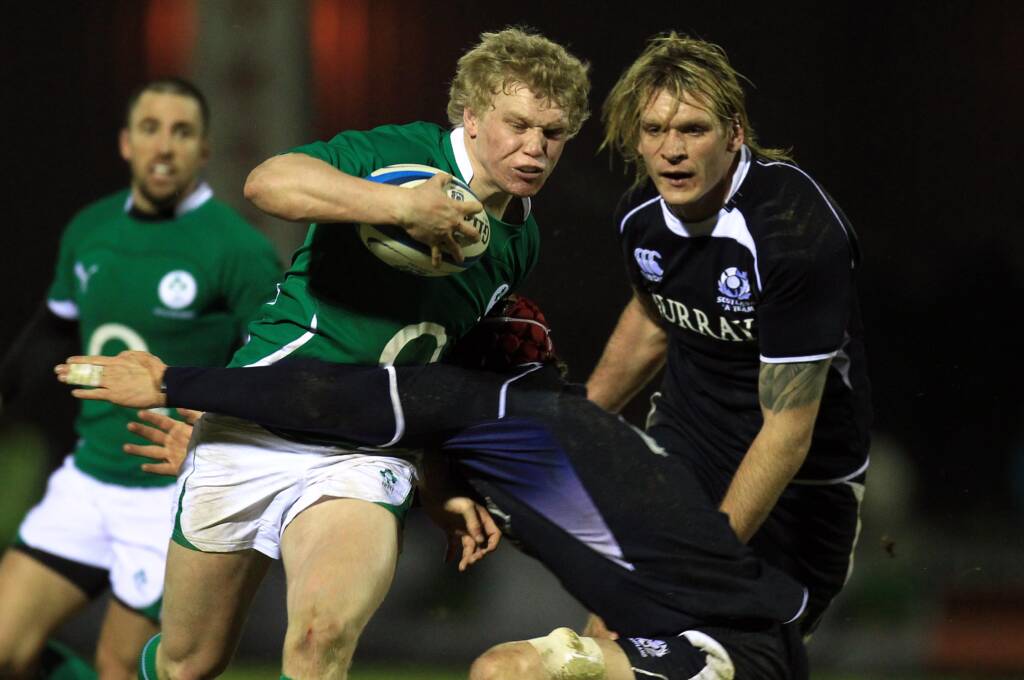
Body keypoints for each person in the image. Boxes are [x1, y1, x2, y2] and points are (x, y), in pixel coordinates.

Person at [119, 28, 590, 680]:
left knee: (322, 637)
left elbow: (438, 368)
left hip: (364, 453)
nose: (534, 148)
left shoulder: (520, 237)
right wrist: (397, 205)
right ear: (474, 116)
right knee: (186, 663)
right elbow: (267, 182)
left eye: (553, 133)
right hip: (259, 418)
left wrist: (437, 477)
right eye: (517, 124)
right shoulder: (399, 153)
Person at [55, 294, 810, 679]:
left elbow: (320, 395)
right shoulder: (536, 426)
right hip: (709, 637)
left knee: (507, 673)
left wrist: (169, 382)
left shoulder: (483, 408)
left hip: (725, 652)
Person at [586, 33, 872, 638]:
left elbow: (789, 434)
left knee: (743, 655)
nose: (671, 151)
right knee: (615, 628)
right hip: (690, 438)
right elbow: (650, 320)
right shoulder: (640, 215)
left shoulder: (795, 235)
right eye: (655, 130)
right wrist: (567, 430)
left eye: (693, 129)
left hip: (804, 479)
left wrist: (698, 565)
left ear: (735, 132)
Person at [0, 78, 281, 679]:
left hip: (173, 496)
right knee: (6, 649)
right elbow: (53, 325)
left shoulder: (237, 250)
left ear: (204, 150)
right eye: (151, 129)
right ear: (126, 143)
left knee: (120, 667)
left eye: (182, 132)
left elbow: (279, 369)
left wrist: (218, 434)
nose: (165, 146)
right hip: (88, 479)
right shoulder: (90, 230)